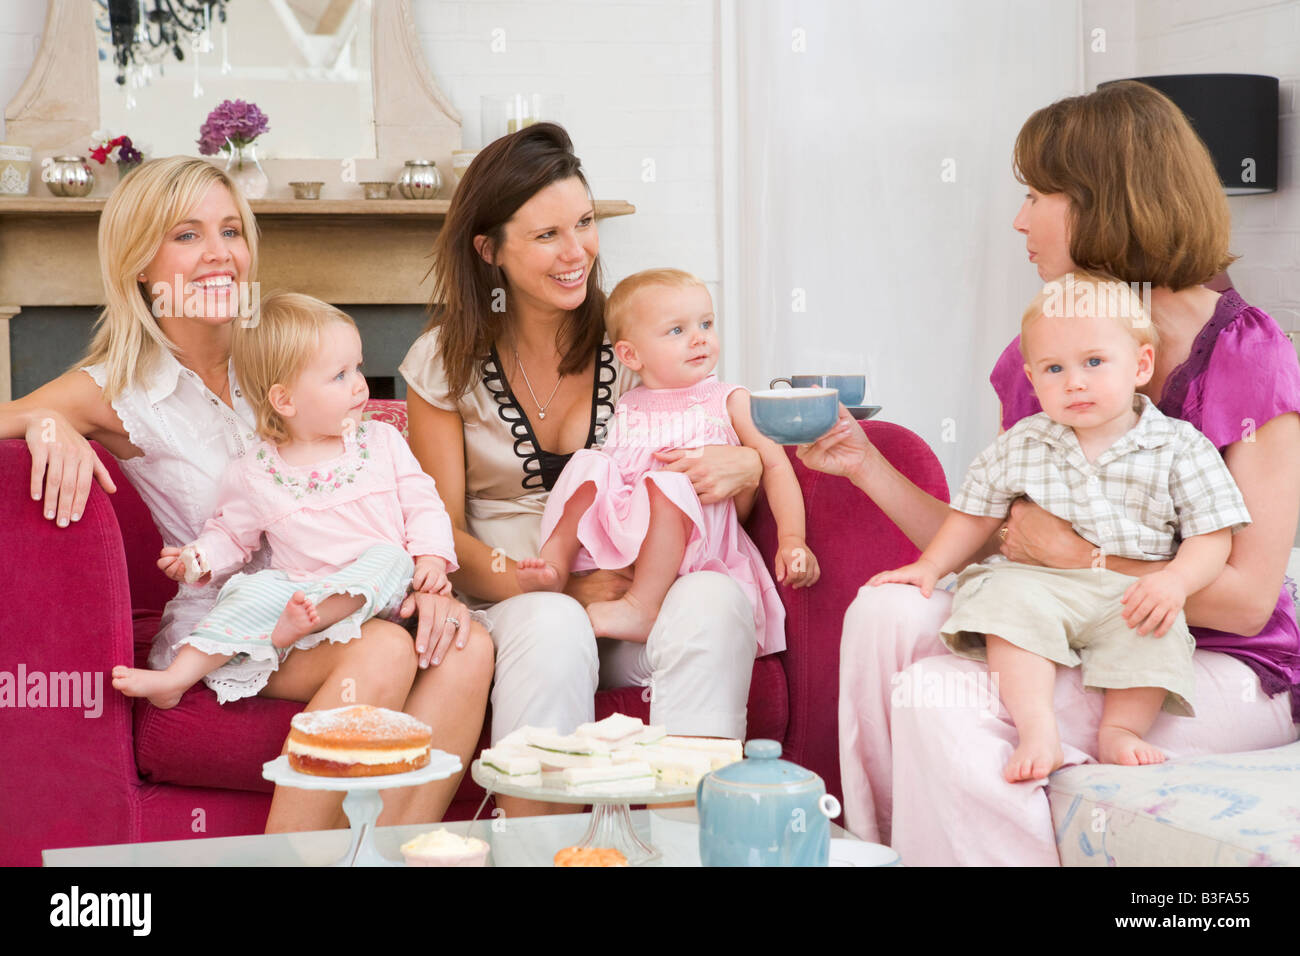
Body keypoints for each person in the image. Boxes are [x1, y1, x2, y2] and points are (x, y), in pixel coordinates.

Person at [800, 80, 1300, 866]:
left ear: (1106, 200)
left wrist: (1087, 559)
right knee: (883, 615)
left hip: (1213, 663)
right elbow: (1006, 538)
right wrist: (865, 468)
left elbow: (1243, 602)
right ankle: (879, 847)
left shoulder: (1247, 354)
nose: (1019, 219)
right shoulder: (1048, 357)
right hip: (1072, 624)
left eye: (1038, 194)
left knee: (941, 701)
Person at [0, 157, 492, 830]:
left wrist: (432, 590)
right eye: (187, 235)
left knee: (468, 648)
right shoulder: (119, 389)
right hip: (242, 627)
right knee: (384, 650)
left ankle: (393, 857)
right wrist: (47, 419)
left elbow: (387, 478)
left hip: (351, 596)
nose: (219, 254)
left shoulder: (285, 354)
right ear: (140, 263)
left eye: (230, 231)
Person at [399, 124, 765, 816]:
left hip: (637, 604)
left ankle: (685, 847)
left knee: (715, 601)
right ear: (490, 250)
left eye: (586, 223)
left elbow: (712, 494)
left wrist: (745, 462)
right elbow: (438, 537)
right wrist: (558, 582)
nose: (577, 253)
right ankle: (539, 850)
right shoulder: (442, 361)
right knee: (552, 621)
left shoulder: (640, 340)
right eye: (546, 236)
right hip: (514, 604)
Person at [867, 271, 1249, 780]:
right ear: (1033, 380)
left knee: (1157, 627)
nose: (1074, 381)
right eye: (1054, 369)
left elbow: (1212, 535)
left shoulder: (1179, 446)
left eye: (1094, 362)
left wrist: (1175, 582)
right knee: (1005, 600)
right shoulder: (1025, 440)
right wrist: (930, 566)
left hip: (1128, 590)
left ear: (1140, 365)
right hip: (1041, 584)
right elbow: (975, 512)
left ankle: (1122, 729)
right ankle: (1036, 726)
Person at [111, 292, 477, 711]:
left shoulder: (380, 443)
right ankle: (176, 678)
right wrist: (198, 559)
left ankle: (300, 625)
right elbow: (231, 534)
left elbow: (424, 505)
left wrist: (430, 559)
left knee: (391, 556)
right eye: (339, 375)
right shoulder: (254, 471)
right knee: (248, 591)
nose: (360, 383)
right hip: (299, 594)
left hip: (383, 595)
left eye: (357, 367)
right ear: (285, 400)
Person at [517, 268, 818, 647]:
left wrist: (792, 539)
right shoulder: (628, 404)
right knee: (588, 463)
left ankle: (642, 606)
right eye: (677, 331)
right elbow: (618, 483)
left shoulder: (729, 399)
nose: (699, 339)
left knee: (667, 483)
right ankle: (555, 566)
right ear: (630, 354)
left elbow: (776, 464)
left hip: (698, 538)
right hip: (634, 543)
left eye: (706, 324)